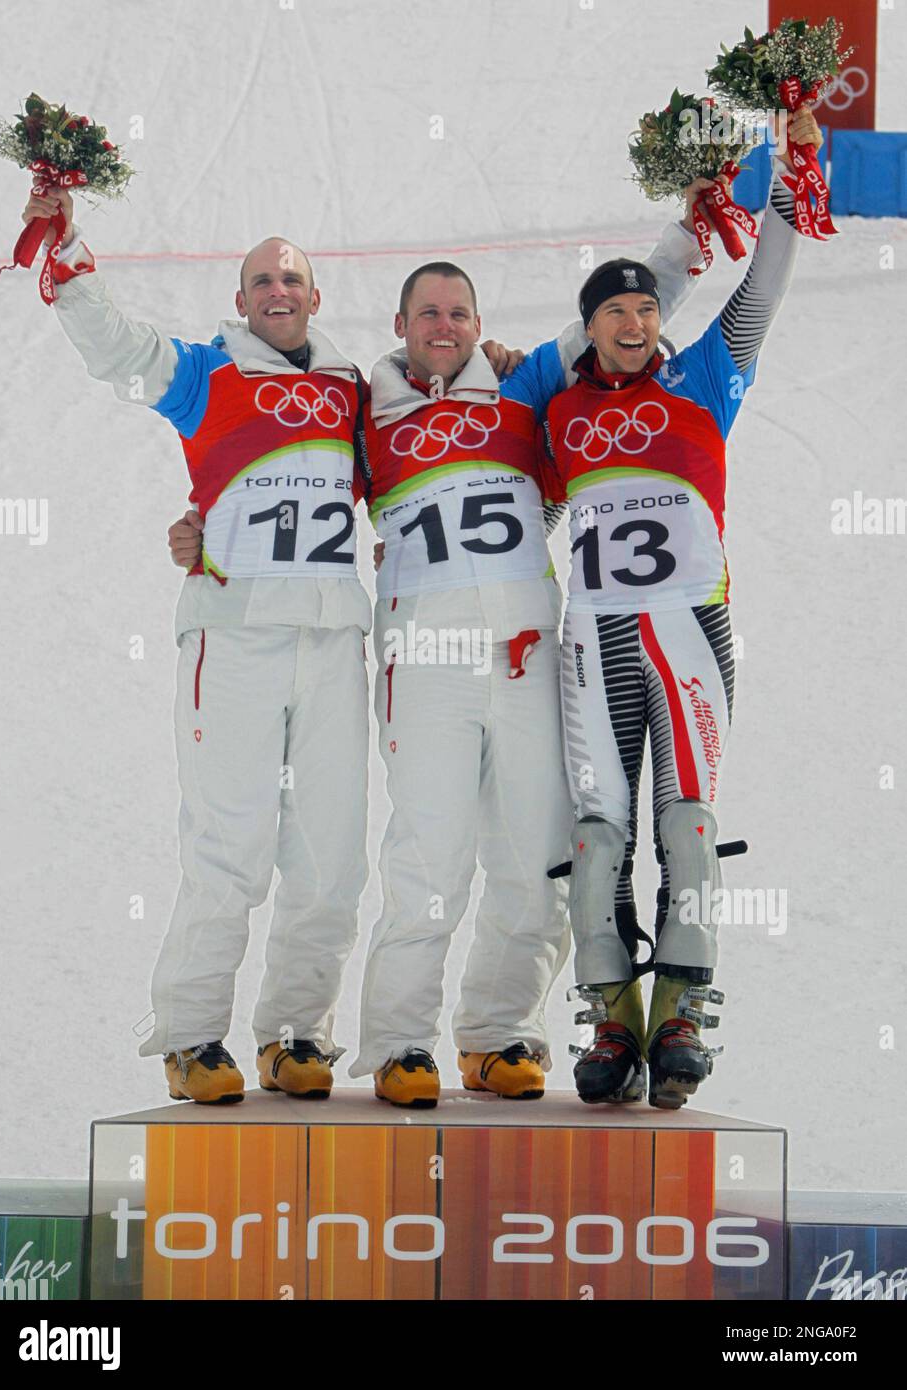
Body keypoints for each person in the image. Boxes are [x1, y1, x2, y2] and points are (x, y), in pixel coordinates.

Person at [347, 186, 717, 1107]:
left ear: (480, 324)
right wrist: (202, 531)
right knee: (427, 856)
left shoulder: (523, 387)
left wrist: (691, 219)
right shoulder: (364, 410)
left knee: (544, 854)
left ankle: (499, 1029)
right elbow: (293, 483)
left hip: (526, 659)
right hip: (424, 664)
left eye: (460, 311)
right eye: (428, 311)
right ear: (400, 323)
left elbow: (624, 309)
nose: (445, 324)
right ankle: (399, 1042)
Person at [21, 187, 374, 1104]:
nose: (276, 291)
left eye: (290, 277)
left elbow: (430, 456)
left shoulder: (355, 393)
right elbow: (120, 353)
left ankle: (299, 1032)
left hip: (335, 639)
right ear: (242, 296)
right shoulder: (210, 374)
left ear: (315, 295)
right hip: (237, 636)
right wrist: (70, 256)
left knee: (333, 857)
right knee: (230, 848)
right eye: (261, 280)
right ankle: (189, 1036)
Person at [541, 112, 822, 1108]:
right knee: (593, 837)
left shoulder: (705, 378)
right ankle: (609, 1016)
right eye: (610, 311)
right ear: (590, 326)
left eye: (640, 308)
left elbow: (765, 285)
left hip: (690, 631)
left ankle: (683, 1013)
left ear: (657, 319)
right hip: (592, 636)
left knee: (689, 826)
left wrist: (791, 176)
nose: (629, 321)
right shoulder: (558, 411)